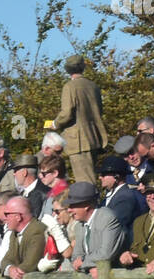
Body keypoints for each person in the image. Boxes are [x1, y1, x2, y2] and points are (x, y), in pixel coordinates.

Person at [54, 54, 107, 184]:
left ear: (67, 70)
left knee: (84, 182)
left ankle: (89, 204)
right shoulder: (93, 86)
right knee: (90, 178)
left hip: (78, 141)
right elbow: (99, 110)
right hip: (94, 137)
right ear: (83, 67)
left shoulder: (69, 87)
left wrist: (54, 124)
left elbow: (67, 113)